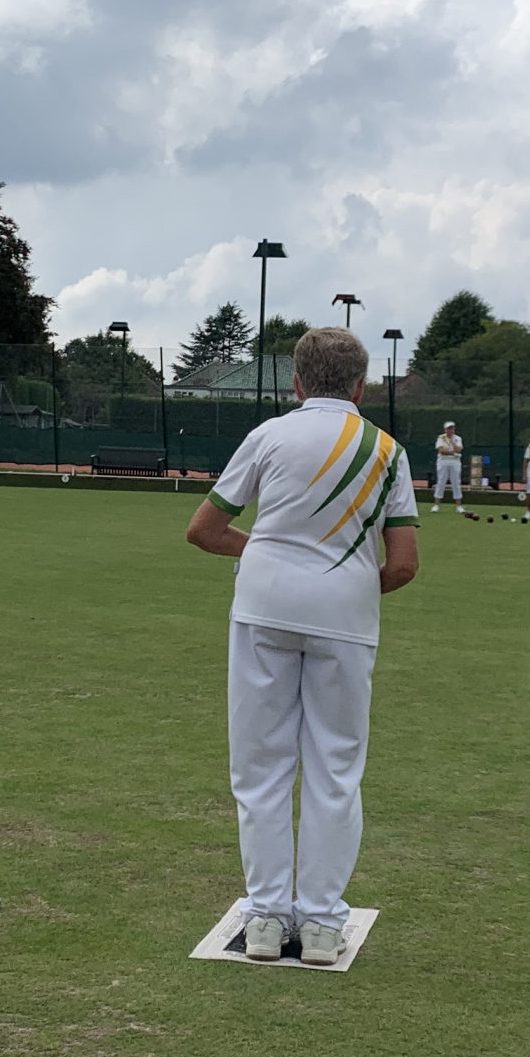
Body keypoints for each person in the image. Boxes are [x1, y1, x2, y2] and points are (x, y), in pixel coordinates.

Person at [186, 326, 419, 965]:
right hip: (345, 614)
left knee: (259, 767)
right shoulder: (388, 451)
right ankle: (319, 925)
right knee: (335, 768)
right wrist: (338, 584)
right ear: (360, 385)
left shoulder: (268, 435)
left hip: (262, 609)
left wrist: (266, 553)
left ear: (295, 381)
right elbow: (402, 565)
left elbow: (204, 531)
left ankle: (264, 920)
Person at [433, 419, 464, 508]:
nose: (450, 430)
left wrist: (452, 443)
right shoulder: (441, 438)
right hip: (443, 461)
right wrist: (453, 453)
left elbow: (459, 449)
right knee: (441, 482)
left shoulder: (458, 438)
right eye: (448, 428)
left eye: (452, 428)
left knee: (456, 482)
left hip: (455, 462)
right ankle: (436, 505)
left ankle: (459, 506)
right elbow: (441, 451)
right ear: (445, 429)